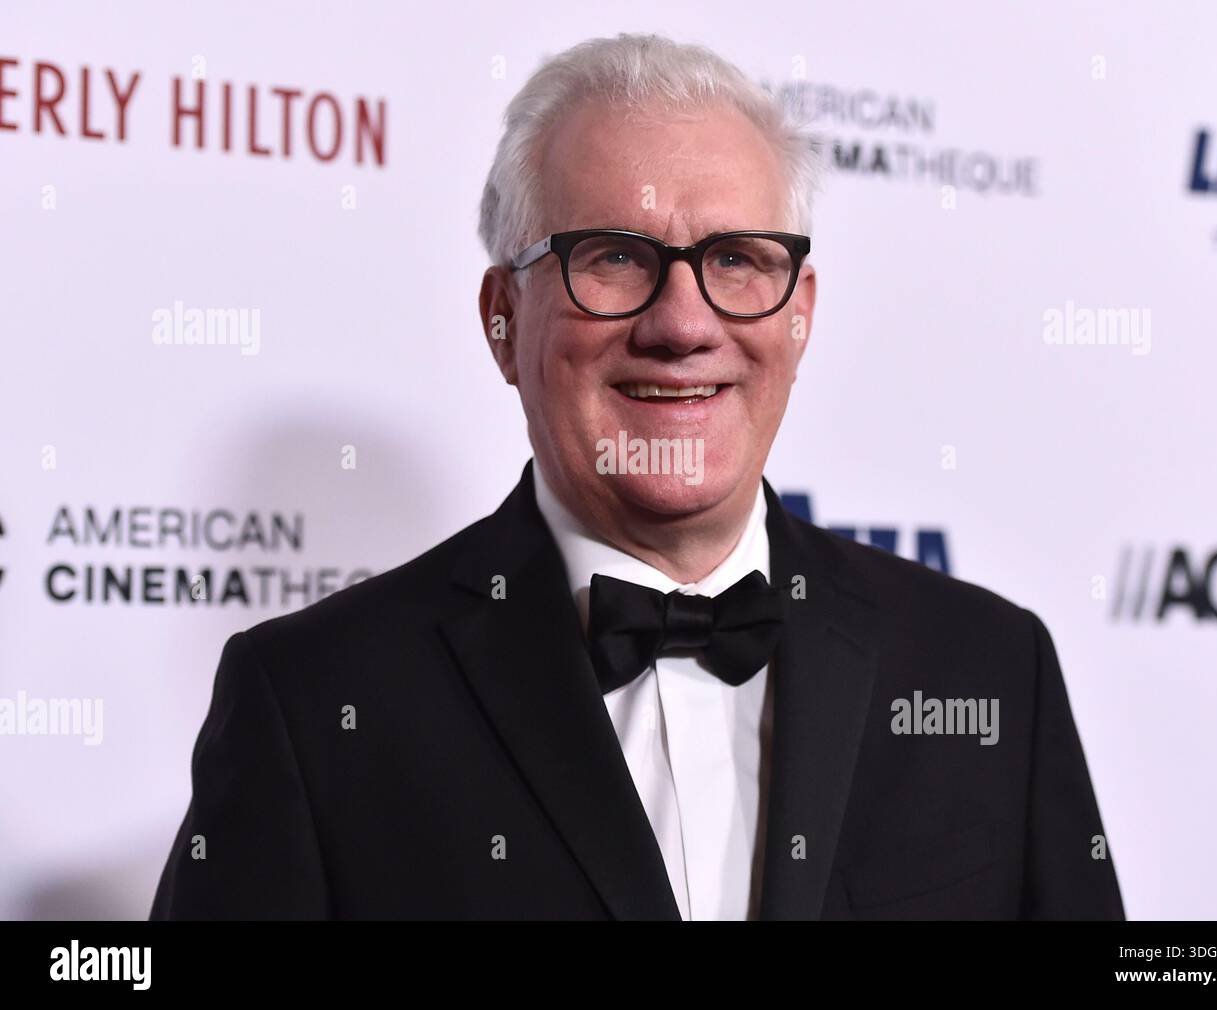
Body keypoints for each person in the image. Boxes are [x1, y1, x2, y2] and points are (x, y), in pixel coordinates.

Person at [150, 32, 1124, 920]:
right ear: (503, 318)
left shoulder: (991, 668)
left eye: (737, 259)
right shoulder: (314, 701)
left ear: (798, 314)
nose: (682, 323)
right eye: (613, 256)